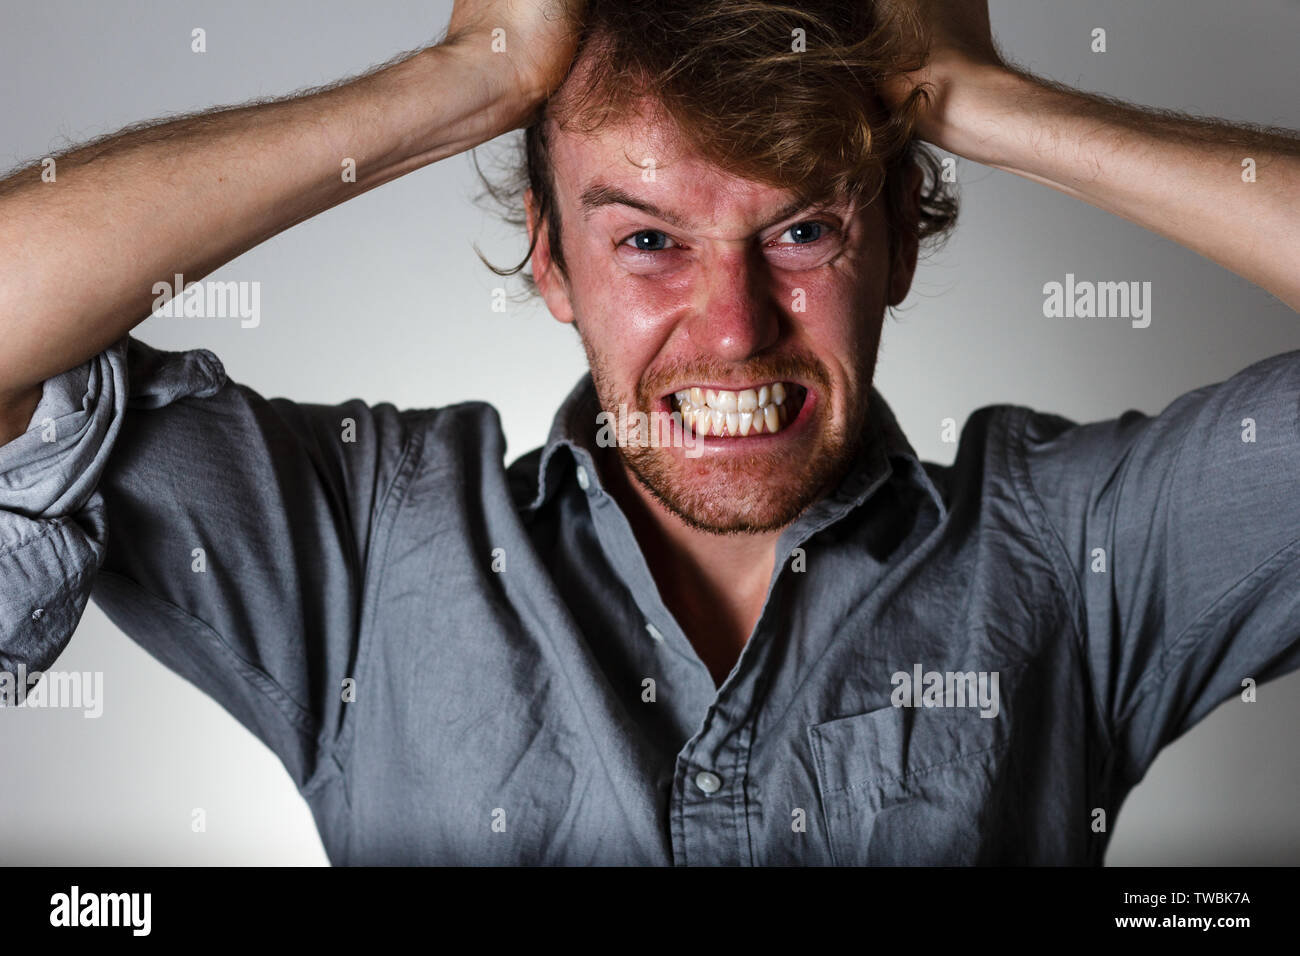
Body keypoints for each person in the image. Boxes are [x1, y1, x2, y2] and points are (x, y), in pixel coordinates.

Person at [1, 0, 1297, 865]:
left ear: (899, 235)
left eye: (801, 230)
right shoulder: (367, 549)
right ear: (552, 262)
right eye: (647, 241)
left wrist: (977, 100)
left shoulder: (1084, 553)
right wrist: (470, 81)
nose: (732, 329)